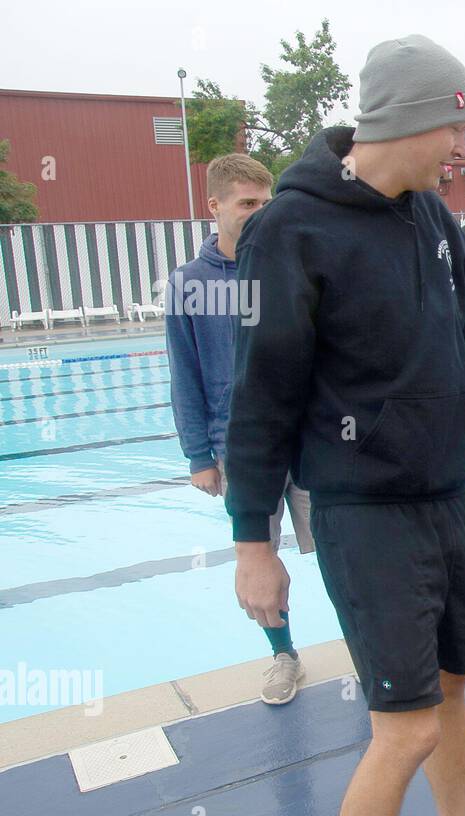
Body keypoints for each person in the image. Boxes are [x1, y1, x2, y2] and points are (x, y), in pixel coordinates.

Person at [224, 35, 465, 816]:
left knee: (455, 689)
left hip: (446, 494)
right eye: (455, 131)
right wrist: (255, 542)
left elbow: (462, 332)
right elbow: (260, 399)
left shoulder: (429, 214)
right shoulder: (289, 230)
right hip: (365, 512)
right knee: (404, 730)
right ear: (409, 120)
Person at [164, 153, 313, 706]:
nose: (258, 214)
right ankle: (284, 655)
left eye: (264, 203)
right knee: (259, 558)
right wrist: (198, 455)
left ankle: (367, 643)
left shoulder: (286, 267)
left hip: (309, 439)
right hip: (239, 447)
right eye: (246, 203)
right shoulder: (189, 284)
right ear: (215, 206)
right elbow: (185, 373)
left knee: (345, 545)